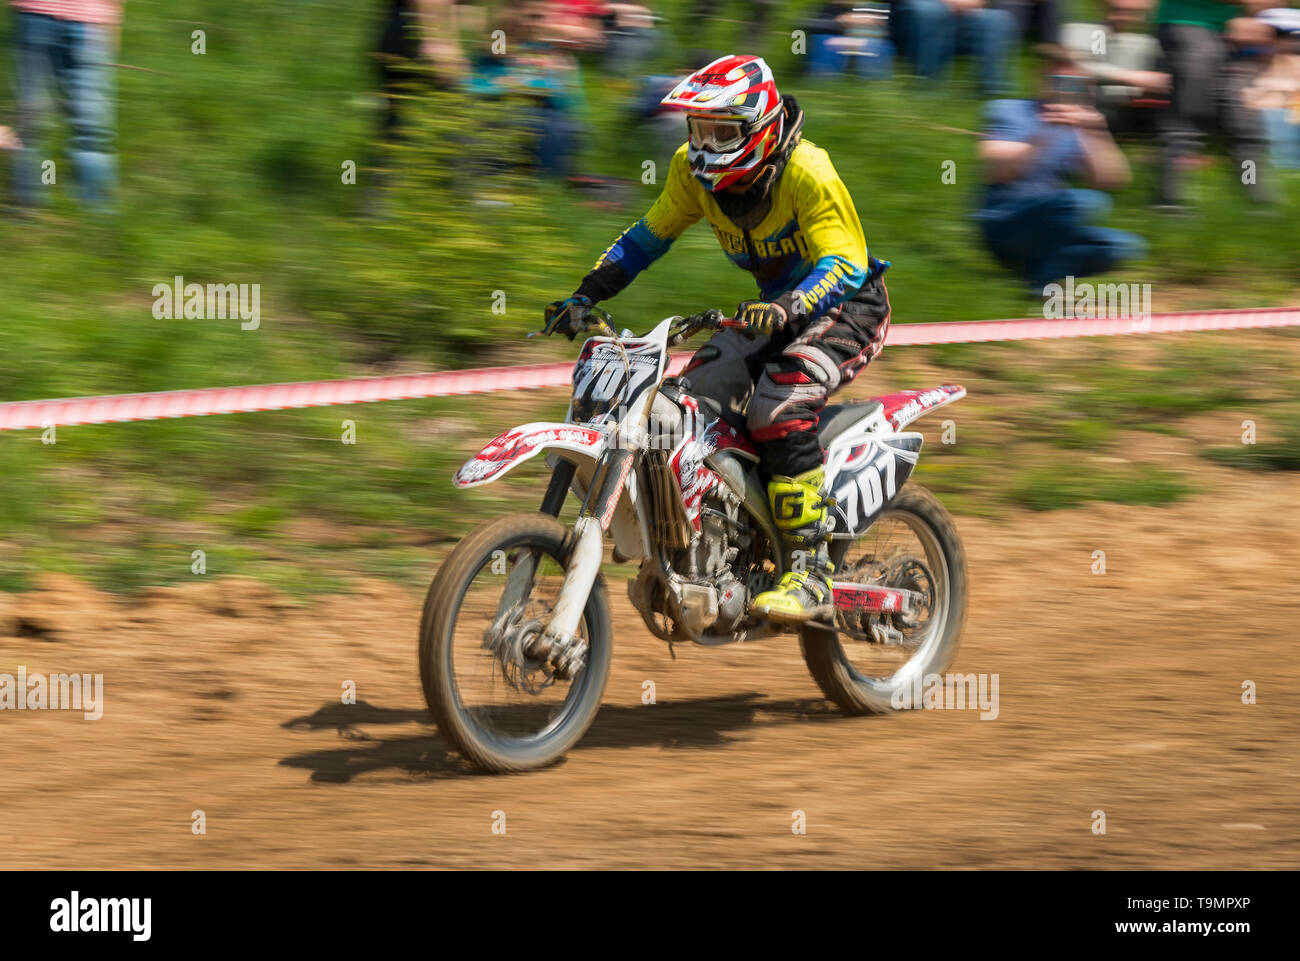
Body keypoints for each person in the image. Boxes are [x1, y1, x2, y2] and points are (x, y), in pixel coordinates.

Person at [543, 55, 892, 624]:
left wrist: (786, 307)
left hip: (847, 306)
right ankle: (733, 542)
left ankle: (811, 570)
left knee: (778, 406)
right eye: (698, 130)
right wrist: (585, 294)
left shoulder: (807, 171)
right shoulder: (689, 171)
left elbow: (845, 263)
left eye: (722, 133)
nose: (705, 147)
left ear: (763, 129)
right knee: (689, 403)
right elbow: (646, 238)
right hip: (772, 312)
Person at [975, 47, 1146, 290]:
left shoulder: (1080, 126)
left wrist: (1095, 131)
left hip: (1052, 225)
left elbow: (1111, 180)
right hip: (1005, 222)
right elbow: (998, 171)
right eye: (1058, 81)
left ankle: (1040, 269)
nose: (1065, 90)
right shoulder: (1008, 110)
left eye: (1076, 84)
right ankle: (1043, 283)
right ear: (1041, 79)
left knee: (1124, 246)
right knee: (1086, 201)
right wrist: (1046, 132)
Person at [1154, 0, 1275, 207]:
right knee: (1189, 119)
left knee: (1246, 124)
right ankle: (1170, 201)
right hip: (1188, 24)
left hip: (1236, 31)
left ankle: (1258, 200)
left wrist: (1255, 17)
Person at [10, 0, 124, 211]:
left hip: (91, 21)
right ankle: (30, 207)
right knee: (31, 123)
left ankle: (95, 210)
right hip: (35, 12)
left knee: (92, 126)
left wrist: (114, 18)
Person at [1061, 0, 1171, 136]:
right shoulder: (1097, 34)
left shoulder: (1146, 41)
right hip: (1085, 116)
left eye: (1133, 12)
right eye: (1118, 10)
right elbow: (1086, 67)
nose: (1125, 17)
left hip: (1128, 118)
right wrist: (1133, 78)